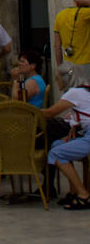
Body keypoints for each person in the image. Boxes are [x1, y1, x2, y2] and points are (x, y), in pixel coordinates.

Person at [41, 66, 90, 208]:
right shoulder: (83, 91)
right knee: (57, 145)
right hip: (86, 133)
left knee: (56, 154)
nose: (57, 83)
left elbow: (50, 113)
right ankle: (73, 191)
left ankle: (83, 195)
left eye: (57, 79)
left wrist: (26, 110)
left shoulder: (73, 93)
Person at [53, 0, 90, 87]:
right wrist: (87, 2)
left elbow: (56, 45)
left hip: (68, 65)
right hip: (86, 65)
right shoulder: (86, 14)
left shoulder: (60, 15)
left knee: (71, 97)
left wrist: (60, 67)